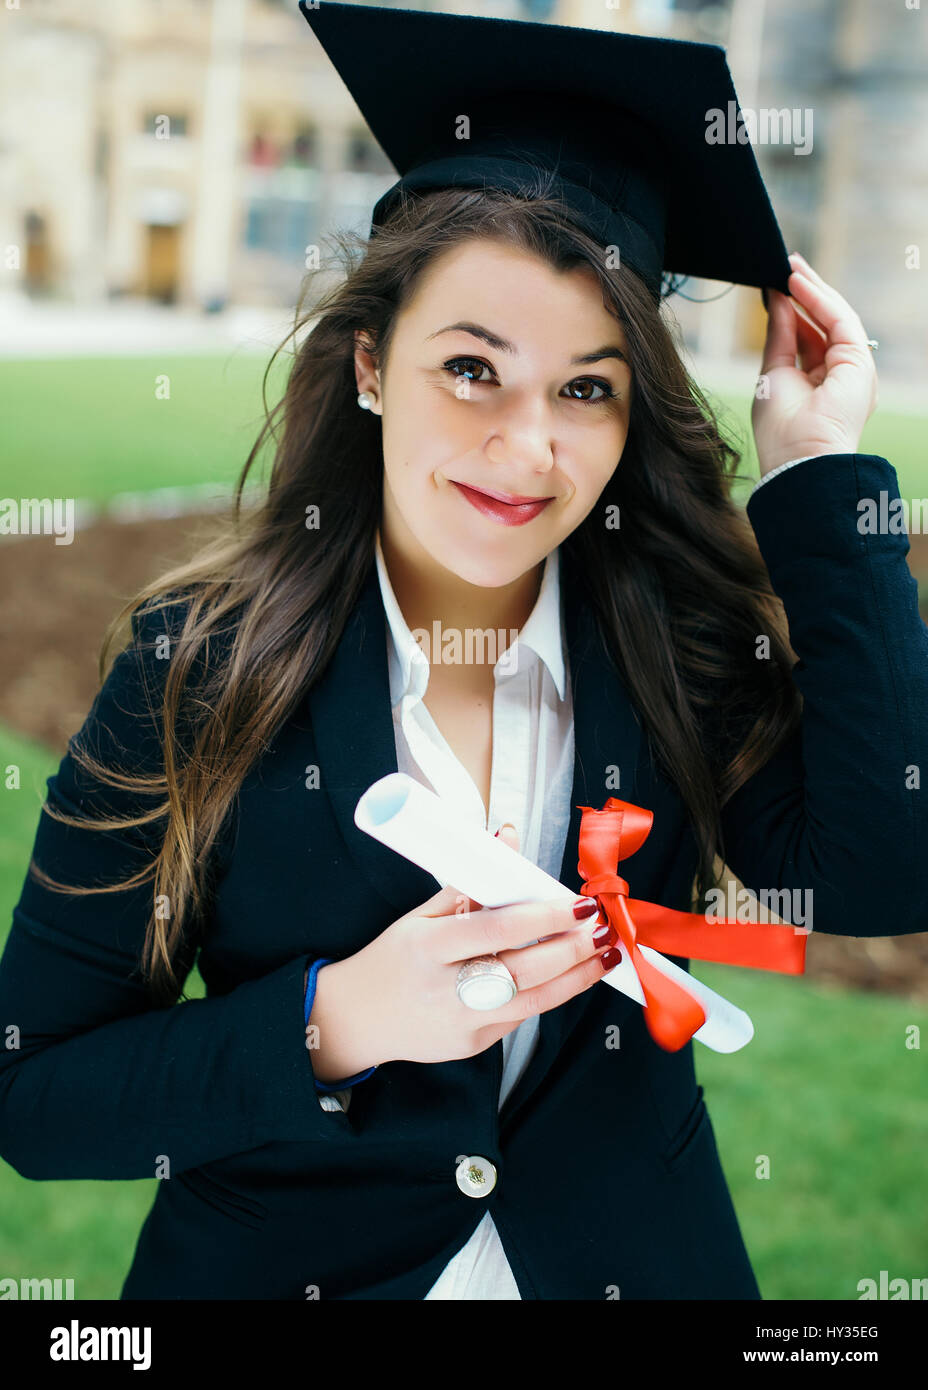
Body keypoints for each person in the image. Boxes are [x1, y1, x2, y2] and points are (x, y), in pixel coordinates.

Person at [0, 5, 925, 1301]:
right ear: (373, 360)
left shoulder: (671, 640)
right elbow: (34, 1094)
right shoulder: (196, 666)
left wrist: (824, 478)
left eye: (586, 387)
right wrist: (336, 1020)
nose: (527, 445)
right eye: (472, 368)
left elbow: (886, 867)